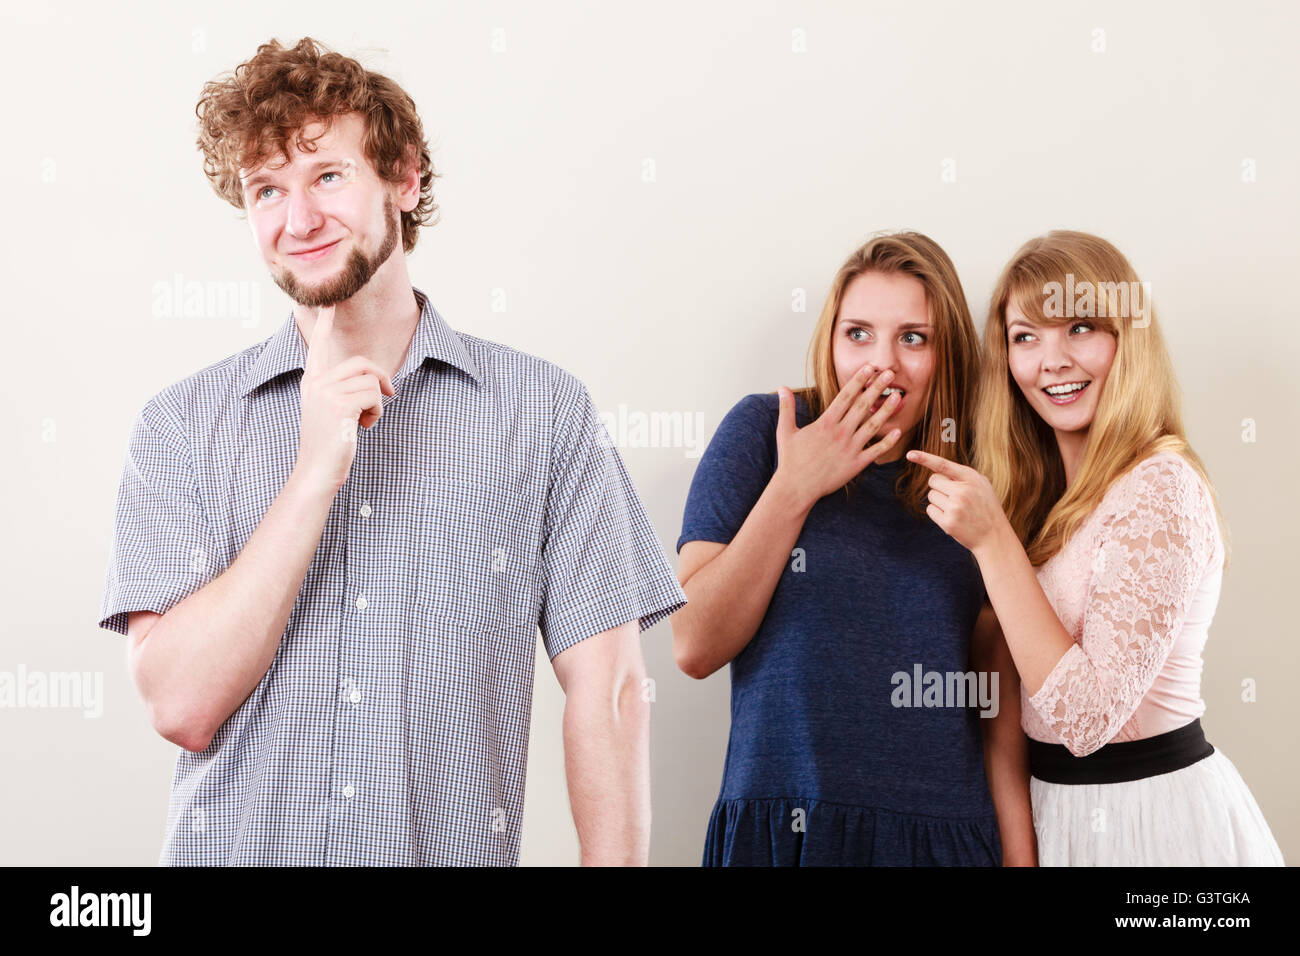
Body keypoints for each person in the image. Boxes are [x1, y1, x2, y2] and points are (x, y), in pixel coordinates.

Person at [96, 37, 686, 866]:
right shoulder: (180, 426)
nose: (298, 220)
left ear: (404, 179)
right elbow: (180, 706)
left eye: (327, 176)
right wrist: (313, 472)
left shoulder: (544, 413)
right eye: (267, 189)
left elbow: (614, 691)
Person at [907, 230, 1284, 865]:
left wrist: (993, 541)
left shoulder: (1161, 486)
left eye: (1079, 327)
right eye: (1025, 336)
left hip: (1154, 826)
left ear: (1126, 339)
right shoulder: (1045, 501)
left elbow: (1087, 721)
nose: (1050, 361)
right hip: (1060, 818)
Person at [673, 232, 1036, 866]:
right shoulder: (766, 431)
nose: (882, 364)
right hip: (788, 834)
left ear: (946, 351)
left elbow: (996, 711)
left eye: (913, 338)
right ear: (831, 341)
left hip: (941, 842)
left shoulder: (981, 477)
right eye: (858, 334)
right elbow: (693, 644)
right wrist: (795, 486)